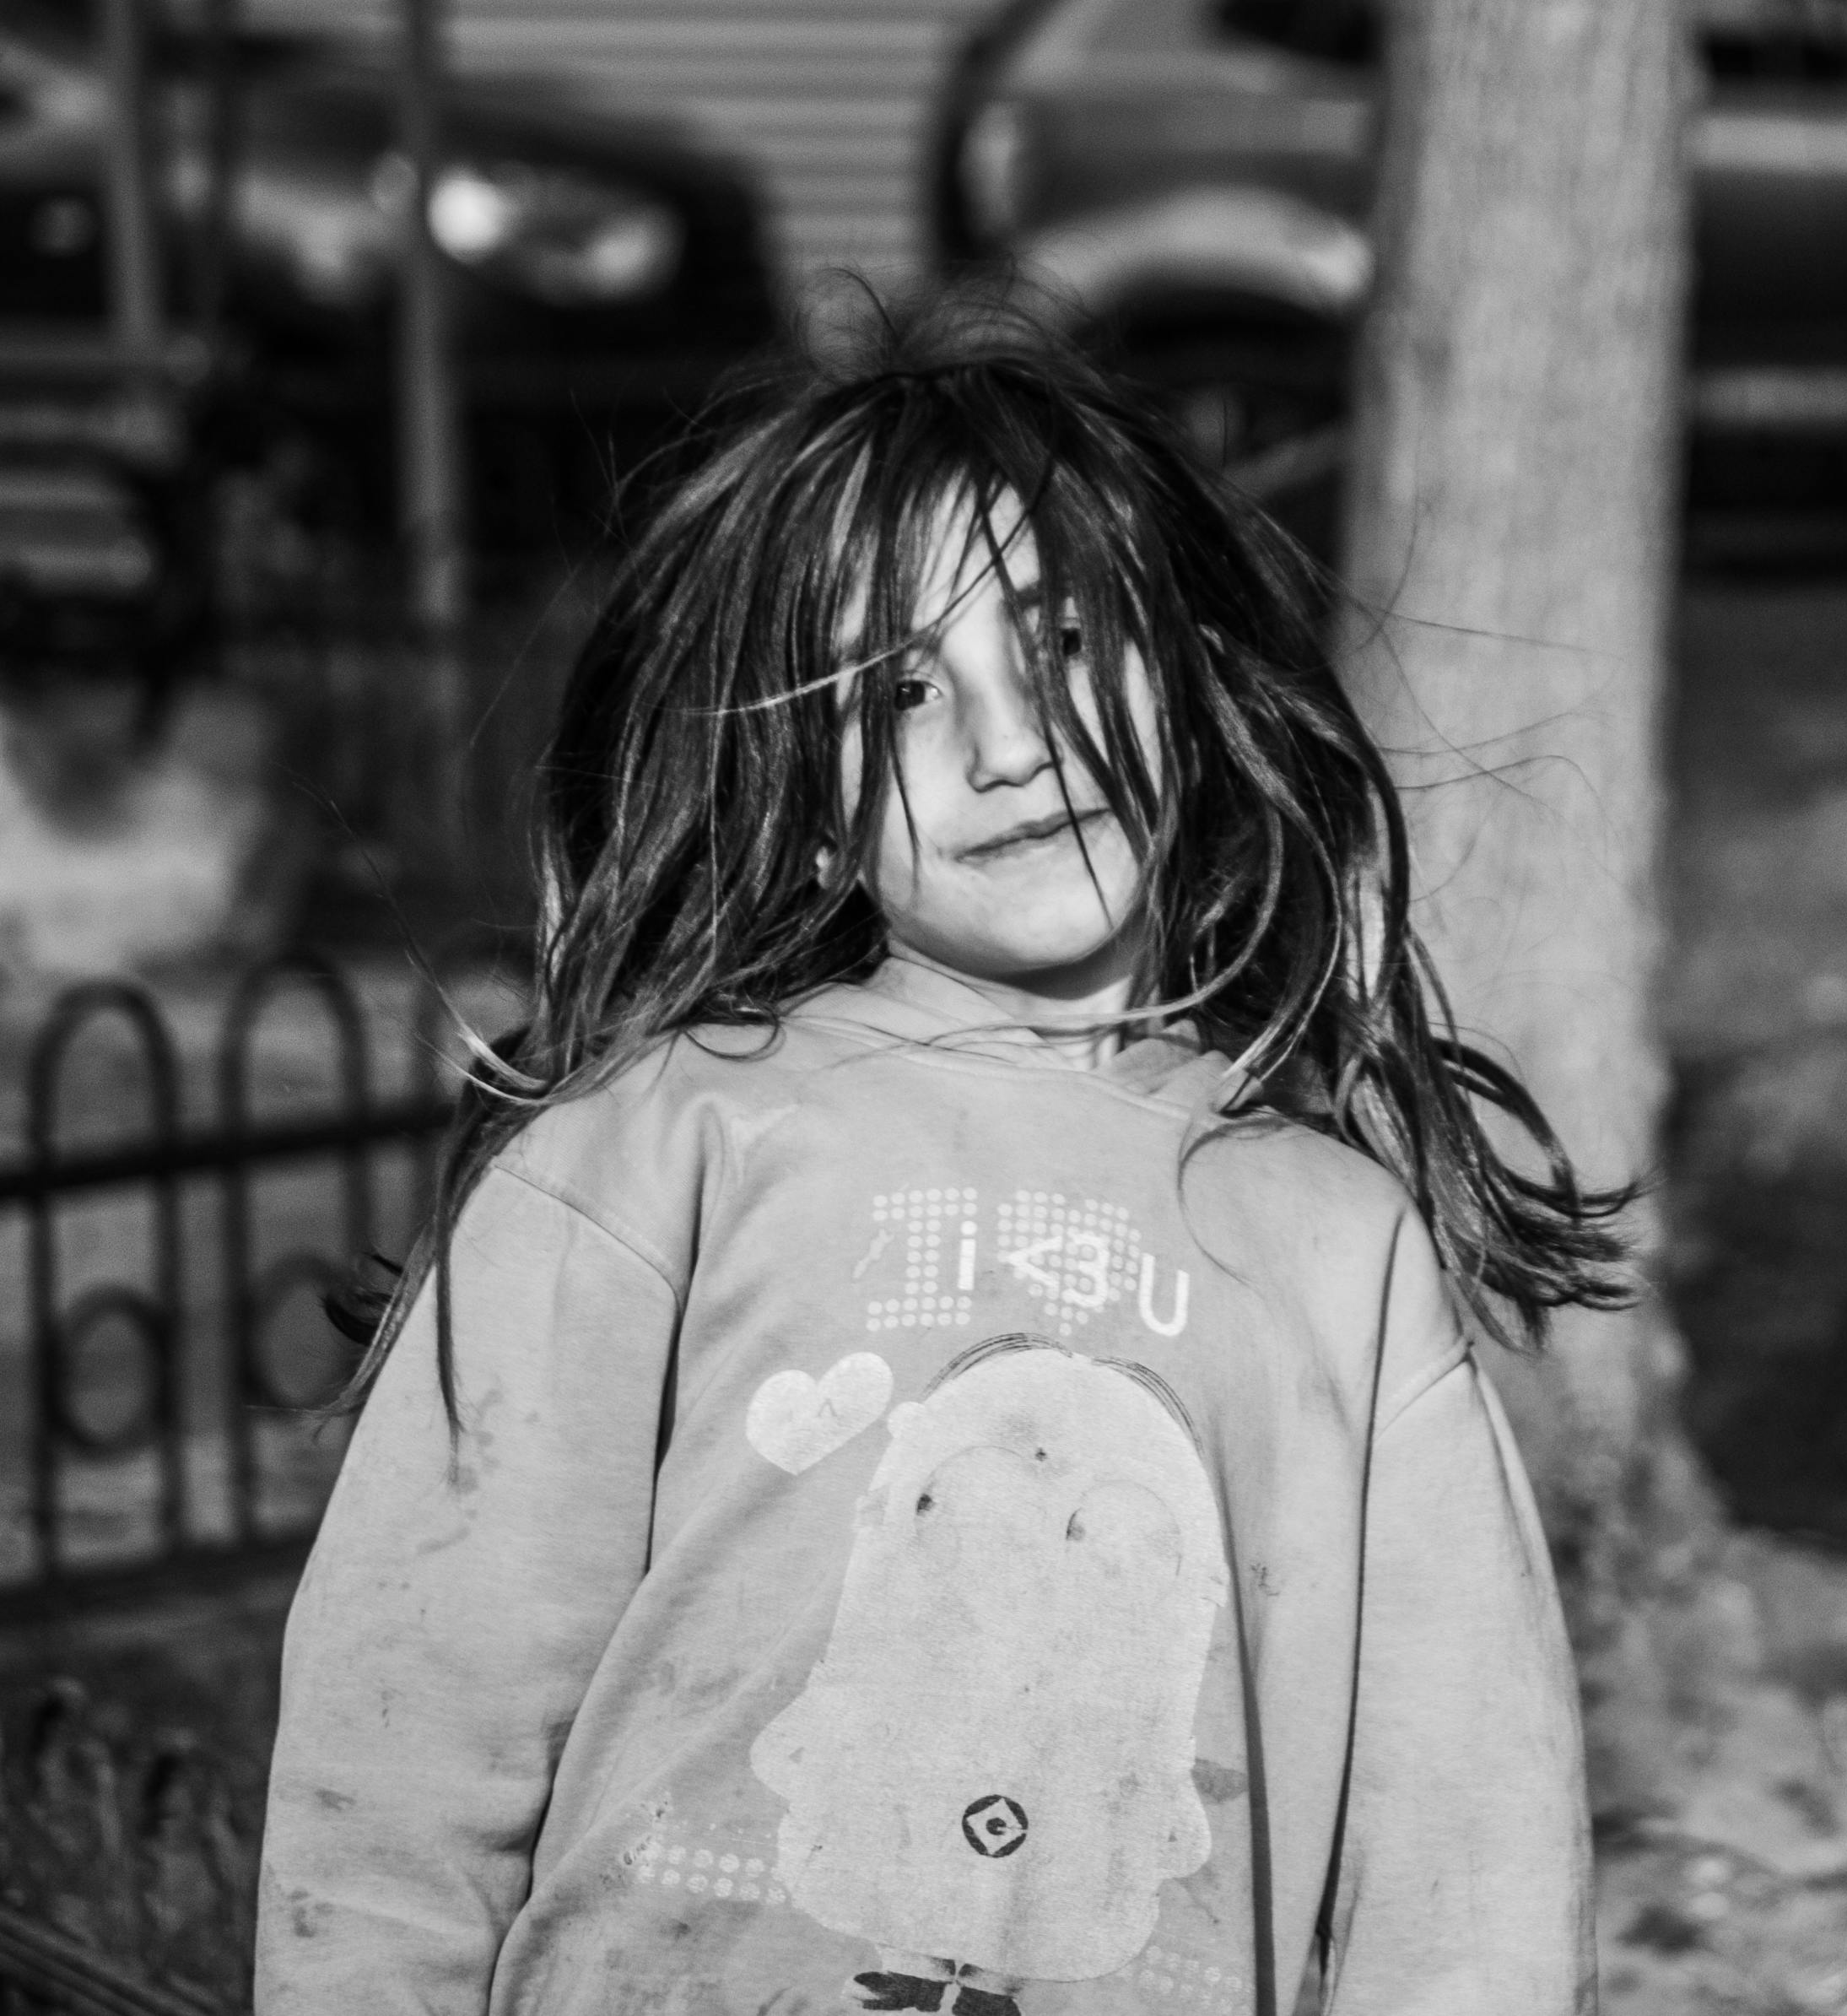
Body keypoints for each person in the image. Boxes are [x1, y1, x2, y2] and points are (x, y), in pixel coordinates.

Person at [255, 290, 1630, 2016]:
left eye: (1059, 643)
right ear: (803, 789)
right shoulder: (655, 1151)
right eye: (898, 689)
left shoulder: (1334, 1248)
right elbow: (408, 1742)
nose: (1006, 742)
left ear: (1195, 672)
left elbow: (1469, 1864)